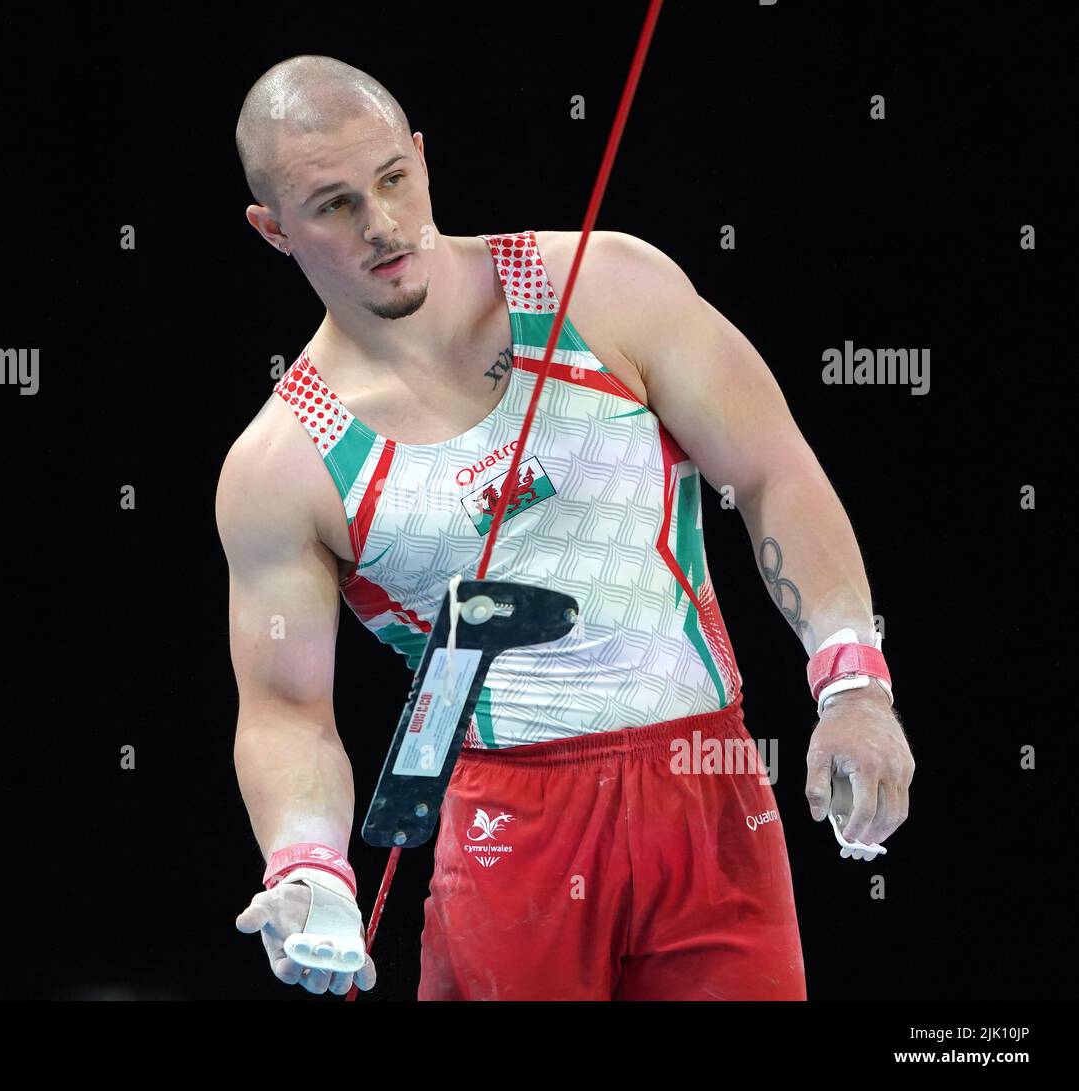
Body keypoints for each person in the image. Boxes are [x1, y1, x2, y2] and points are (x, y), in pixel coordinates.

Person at [219, 55, 915, 1000]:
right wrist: (309, 865)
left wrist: (852, 681)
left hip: (706, 786)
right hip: (513, 830)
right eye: (334, 205)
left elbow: (770, 469)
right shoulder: (282, 463)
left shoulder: (605, 284)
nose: (383, 226)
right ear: (273, 231)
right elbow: (287, 707)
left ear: (422, 157)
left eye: (393, 179)